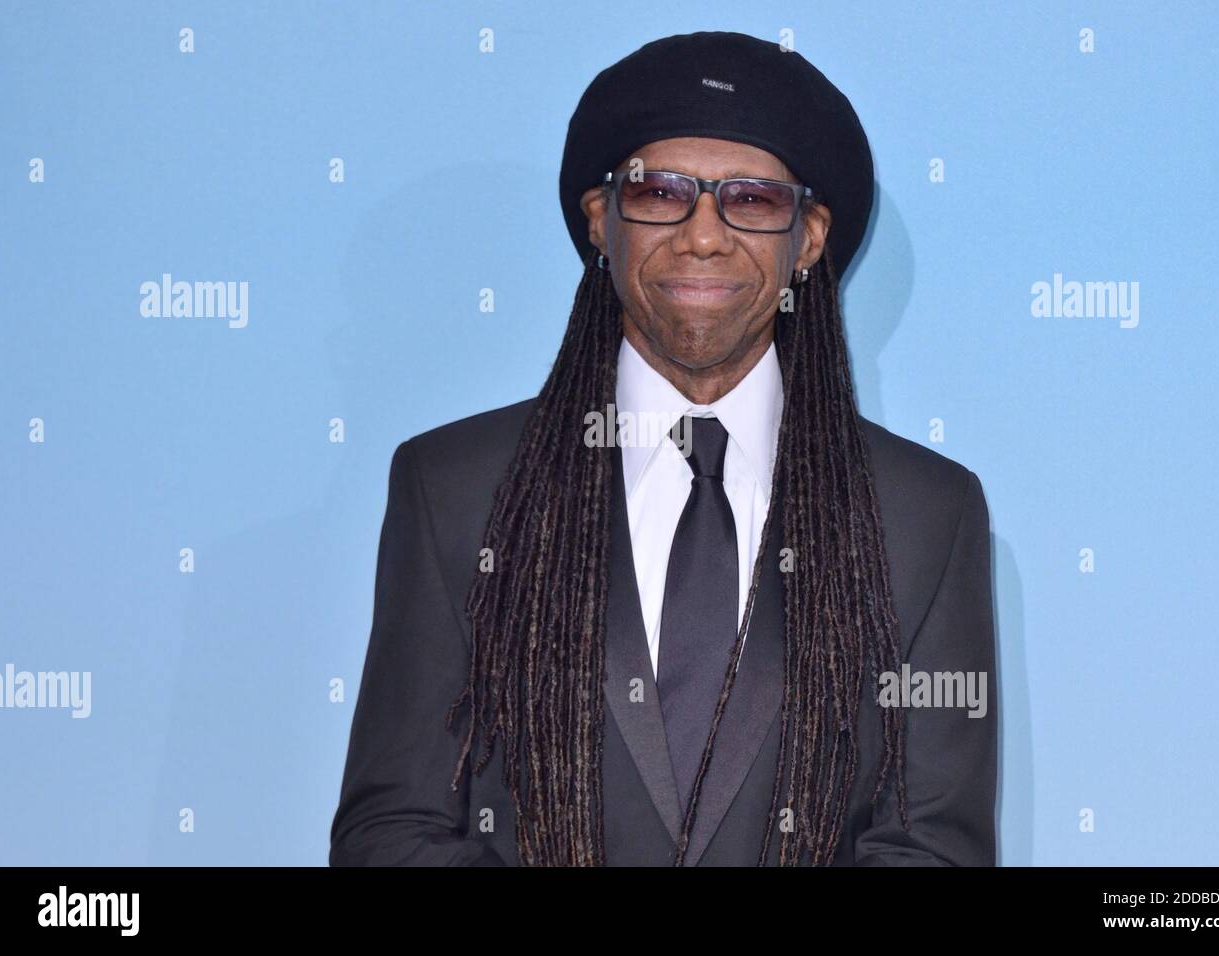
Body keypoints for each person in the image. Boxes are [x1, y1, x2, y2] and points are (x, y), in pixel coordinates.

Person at [329, 30, 997, 866]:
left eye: (751, 200)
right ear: (603, 220)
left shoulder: (924, 513)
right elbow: (394, 835)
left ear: (811, 237)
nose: (704, 235)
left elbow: (933, 847)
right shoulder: (455, 489)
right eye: (662, 193)